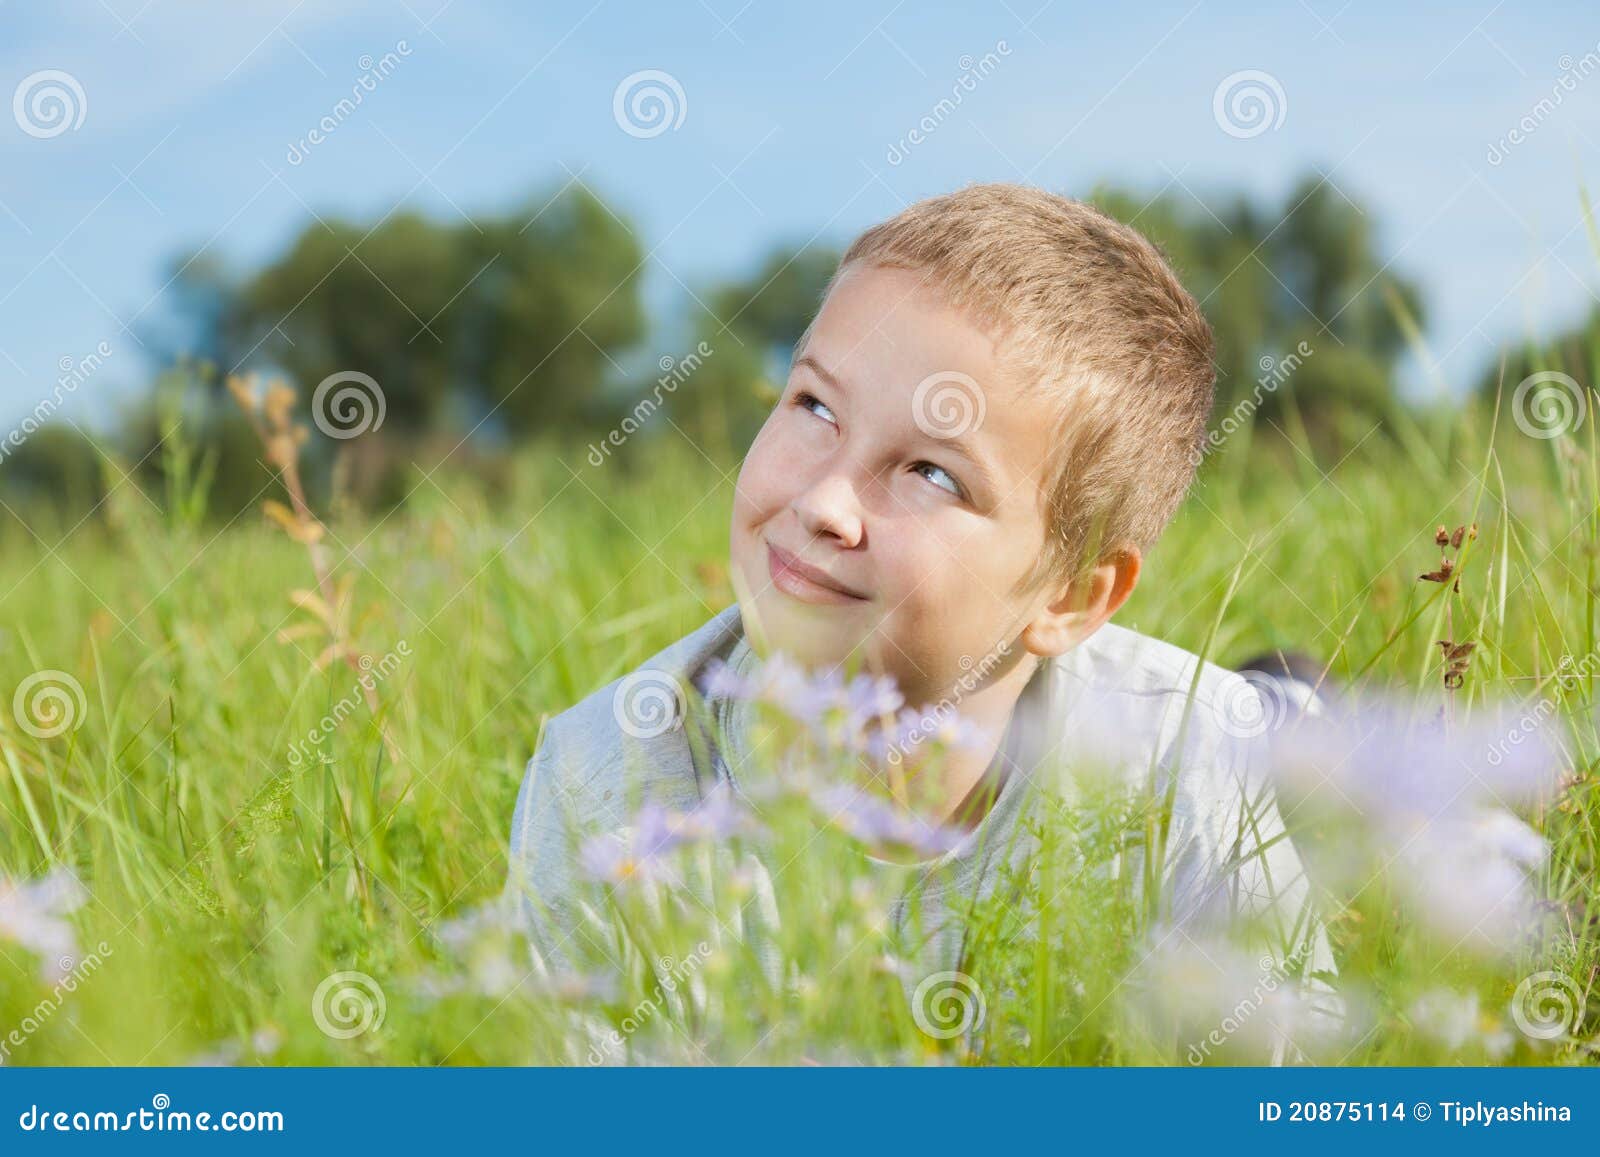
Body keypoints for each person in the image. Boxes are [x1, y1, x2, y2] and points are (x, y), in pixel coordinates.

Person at [503, 183, 1333, 1039]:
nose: (826, 499)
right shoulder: (605, 779)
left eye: (932, 473)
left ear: (1072, 594)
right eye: (816, 407)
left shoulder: (1181, 760)